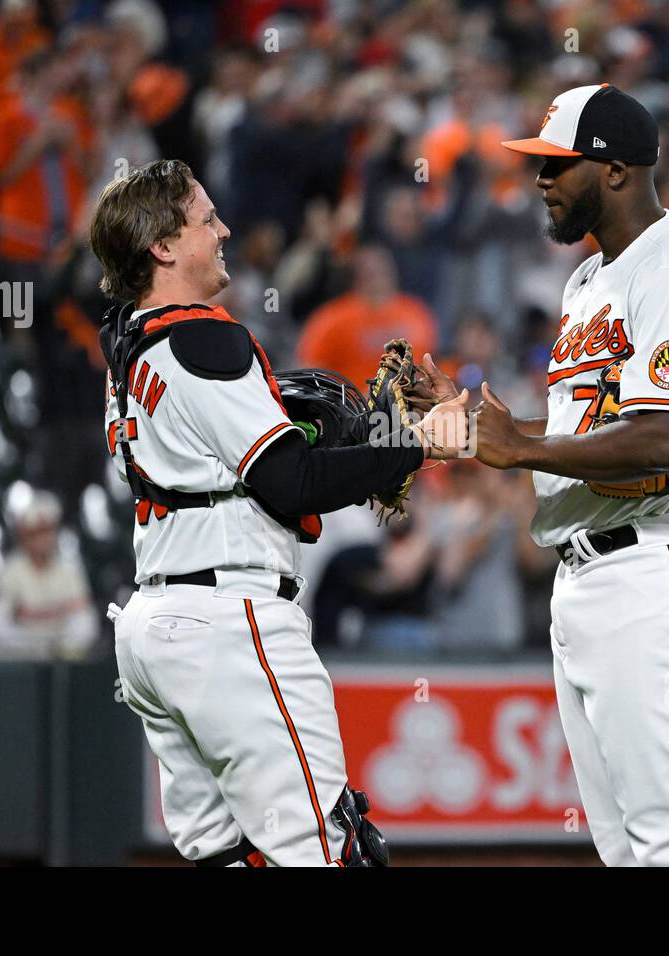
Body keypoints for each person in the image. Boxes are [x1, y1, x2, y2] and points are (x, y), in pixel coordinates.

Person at [91, 159, 468, 866]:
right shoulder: (204, 335)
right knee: (330, 851)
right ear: (164, 248)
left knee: (230, 856)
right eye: (206, 218)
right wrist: (413, 447)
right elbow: (290, 482)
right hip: (229, 621)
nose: (225, 227)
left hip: (154, 626)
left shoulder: (127, 346)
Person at [468, 84, 669, 866]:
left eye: (558, 166)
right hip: (593, 575)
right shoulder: (587, 281)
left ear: (618, 171)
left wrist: (520, 447)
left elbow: (667, 437)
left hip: (661, 569)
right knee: (628, 852)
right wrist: (470, 430)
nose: (541, 181)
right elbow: (584, 434)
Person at [295, 245, 437, 385]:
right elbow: (310, 371)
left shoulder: (416, 313)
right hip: (354, 403)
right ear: (355, 277)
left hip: (408, 402)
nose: (379, 279)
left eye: (383, 272)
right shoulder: (332, 320)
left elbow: (430, 365)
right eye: (371, 274)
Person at [0, 490, 97, 657]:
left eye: (48, 531)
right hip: (20, 664)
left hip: (61, 663)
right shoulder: (9, 572)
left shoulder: (69, 571)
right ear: (23, 537)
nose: (45, 539)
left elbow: (86, 625)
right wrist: (32, 648)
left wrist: (58, 647)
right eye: (36, 533)